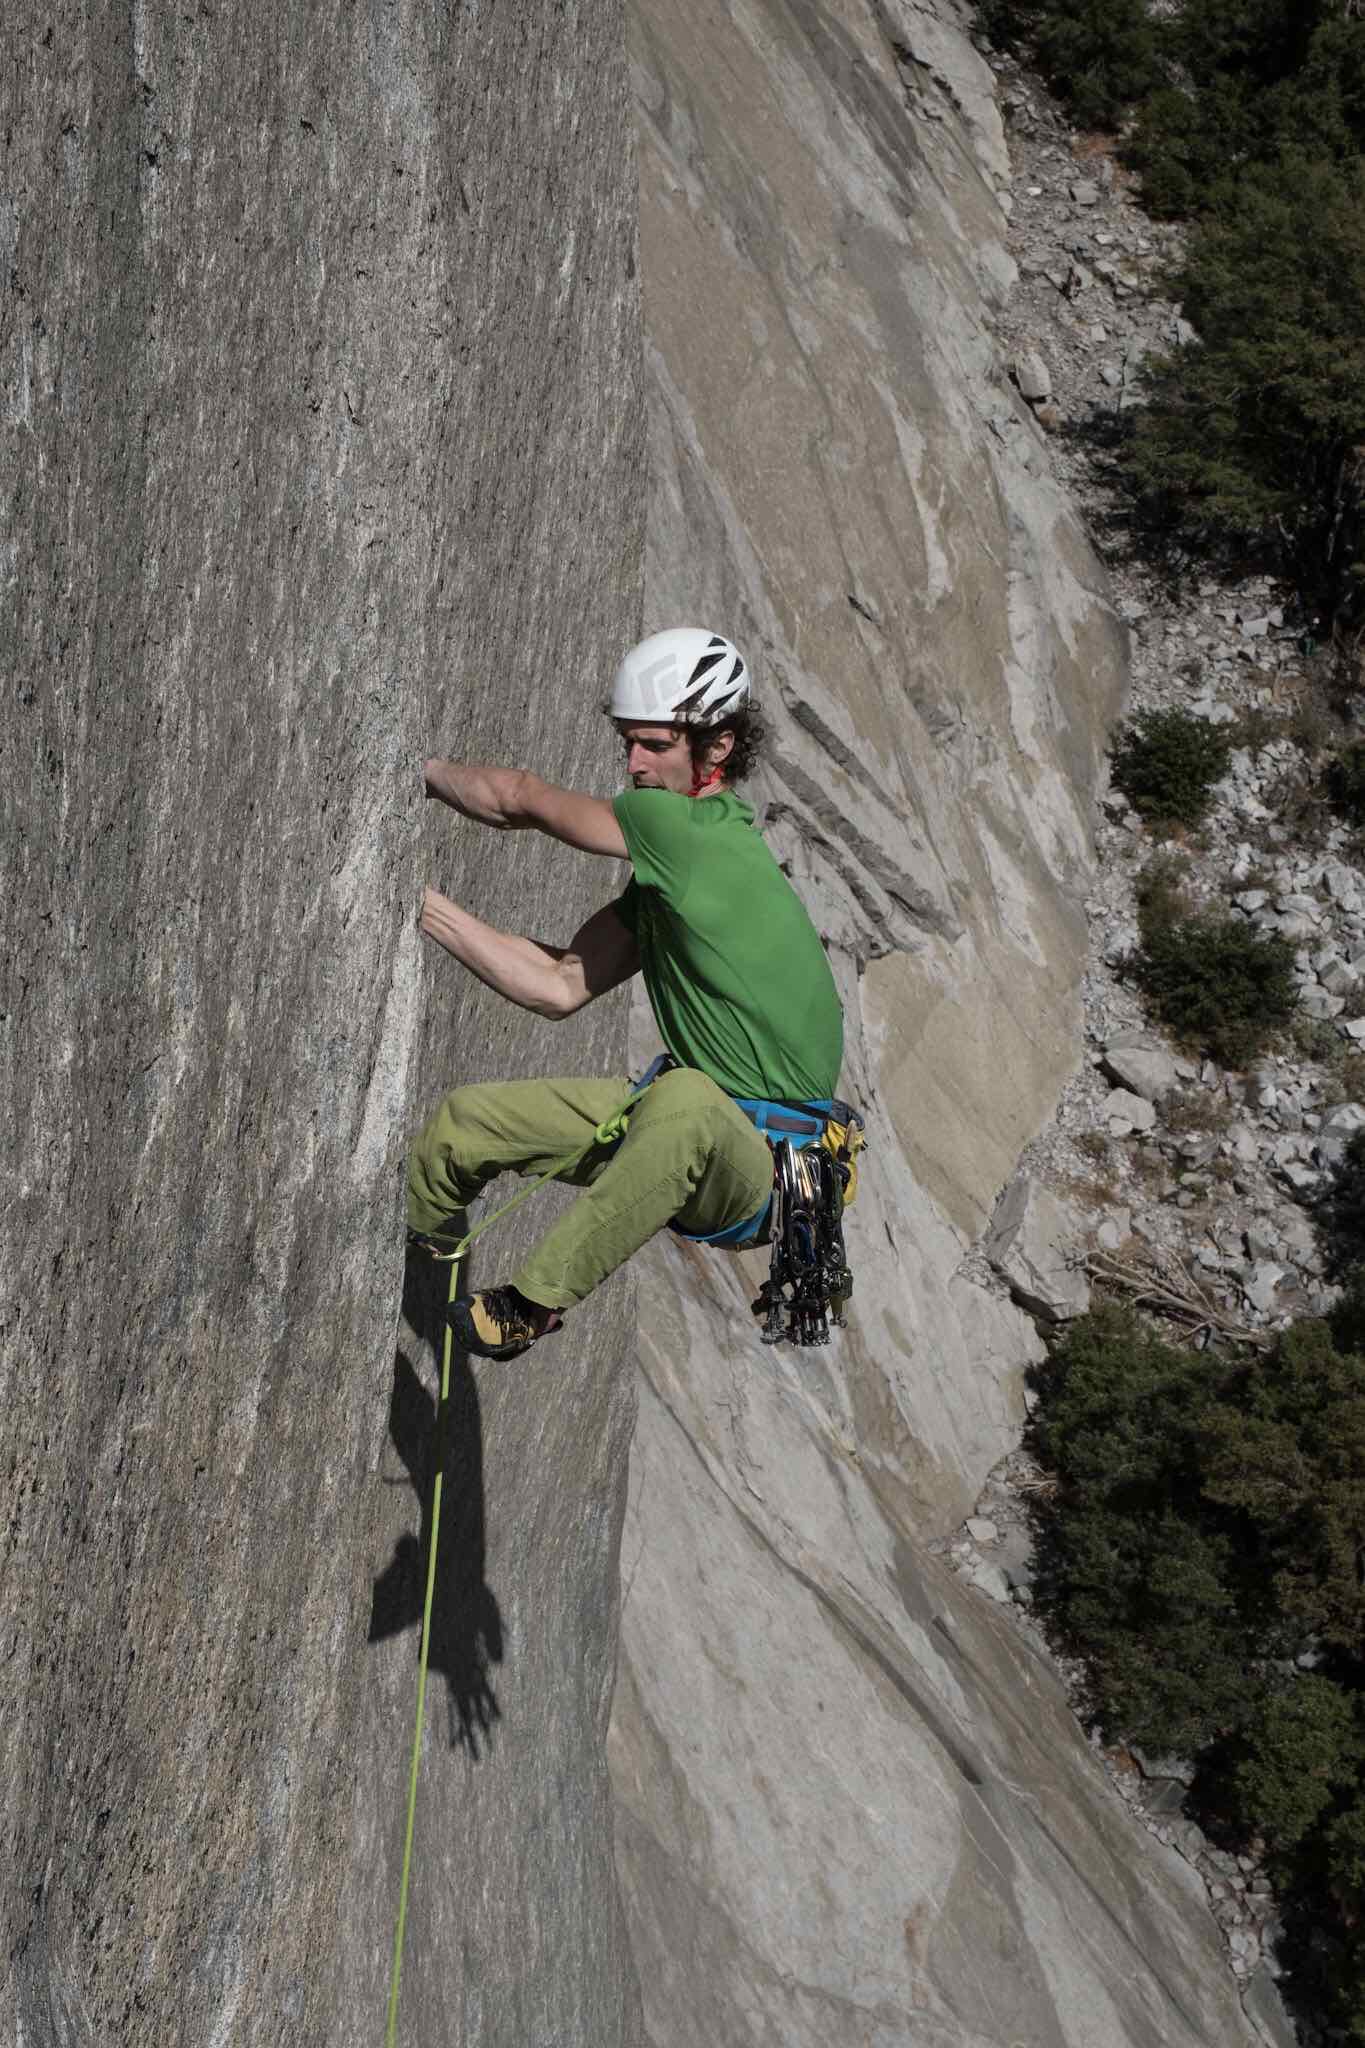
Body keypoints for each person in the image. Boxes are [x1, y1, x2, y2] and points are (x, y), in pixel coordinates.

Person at [407, 627, 844, 1359]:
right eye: (627, 743)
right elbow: (555, 986)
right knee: (463, 1125)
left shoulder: (690, 835)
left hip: (763, 1169)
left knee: (688, 1100)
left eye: (655, 746)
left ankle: (535, 1303)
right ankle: (409, 1263)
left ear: (718, 748)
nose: (634, 766)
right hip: (693, 1131)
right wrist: (421, 906)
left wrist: (414, 769)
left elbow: (520, 799)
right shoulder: (667, 886)